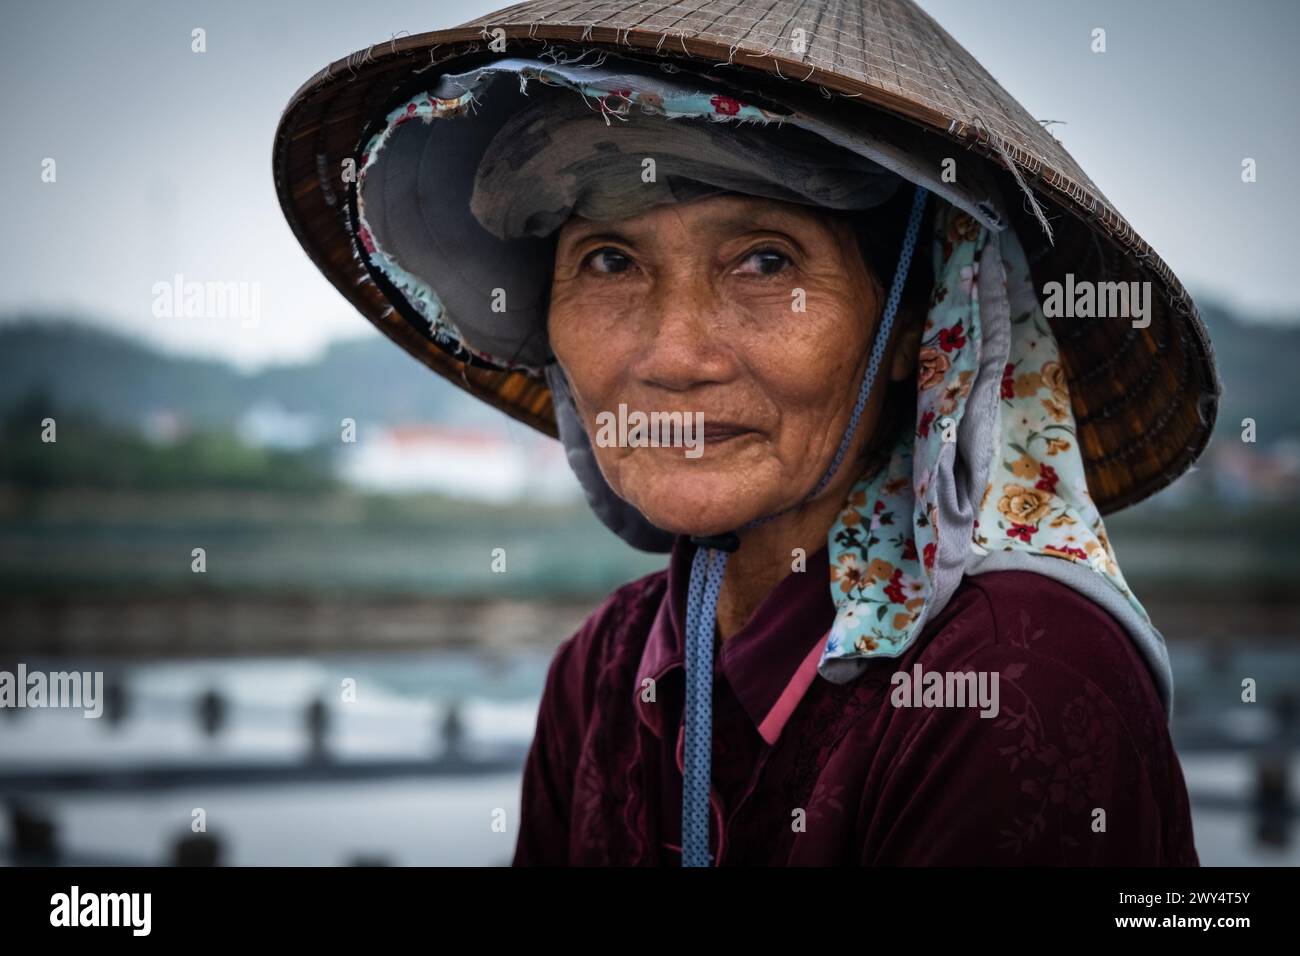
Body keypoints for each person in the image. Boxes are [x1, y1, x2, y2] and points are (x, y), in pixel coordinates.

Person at [274, 0, 1218, 866]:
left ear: (919, 328)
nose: (675, 356)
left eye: (766, 261)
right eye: (609, 261)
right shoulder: (601, 672)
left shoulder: (1018, 683)